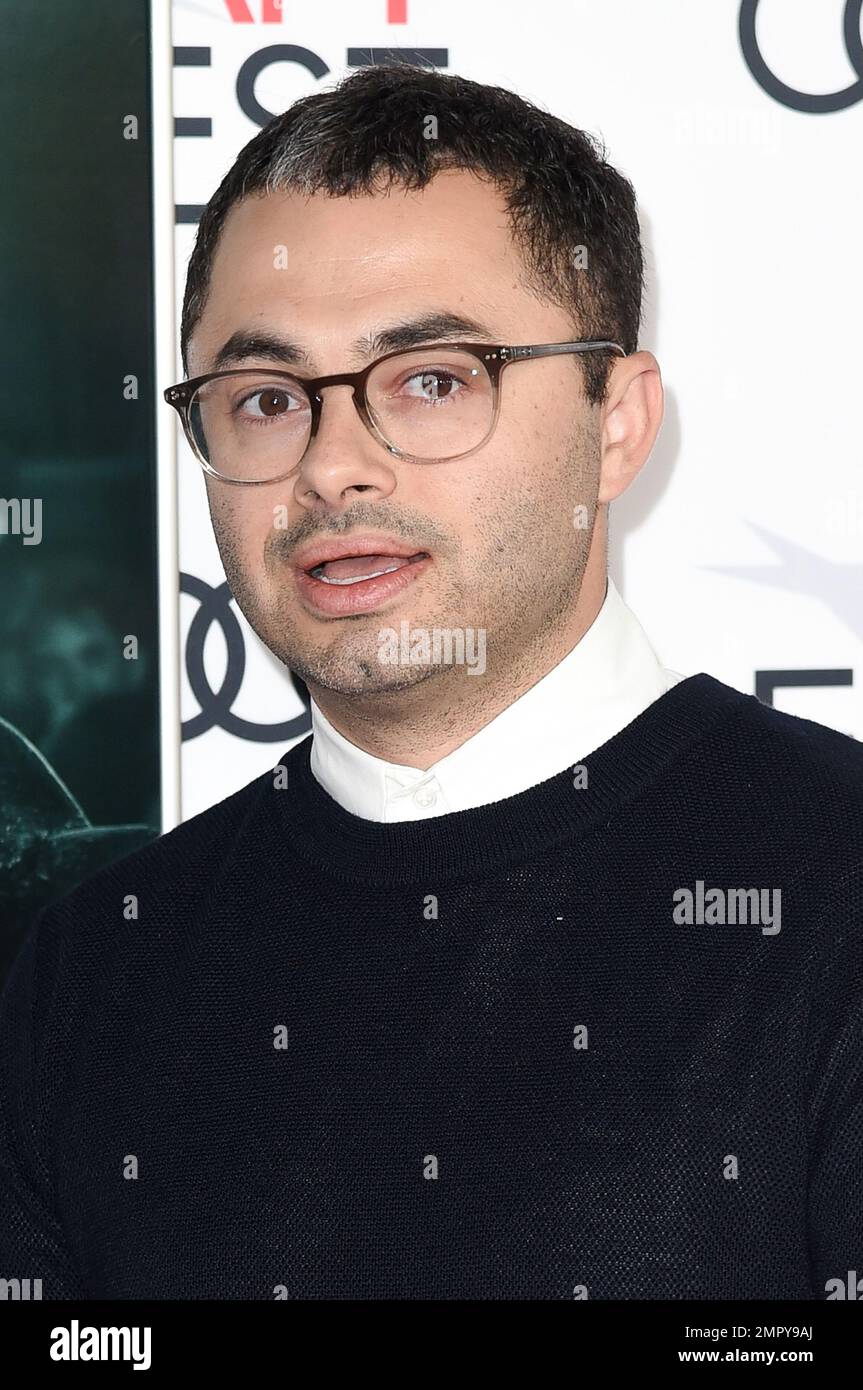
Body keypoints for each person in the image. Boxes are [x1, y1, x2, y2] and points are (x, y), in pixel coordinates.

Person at [2, 62, 862, 1301]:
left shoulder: (830, 888)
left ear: (614, 424)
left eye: (431, 379)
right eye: (263, 399)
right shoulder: (90, 974)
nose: (335, 465)